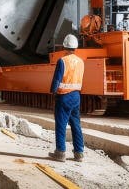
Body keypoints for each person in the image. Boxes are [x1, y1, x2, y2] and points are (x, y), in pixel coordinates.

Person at [48, 34, 84, 162]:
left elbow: (57, 79)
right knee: (76, 125)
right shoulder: (81, 62)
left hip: (64, 96)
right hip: (76, 96)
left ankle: (60, 153)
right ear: (75, 47)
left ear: (64, 46)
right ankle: (79, 153)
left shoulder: (62, 61)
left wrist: (52, 92)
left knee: (61, 124)